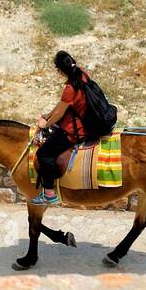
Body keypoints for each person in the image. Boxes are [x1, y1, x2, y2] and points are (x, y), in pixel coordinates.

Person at [32, 50, 90, 206]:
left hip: (74, 131)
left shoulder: (70, 88)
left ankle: (49, 194)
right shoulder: (82, 75)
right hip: (84, 122)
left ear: (59, 70)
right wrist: (48, 115)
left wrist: (45, 124)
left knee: (44, 153)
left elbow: (60, 113)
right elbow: (63, 104)